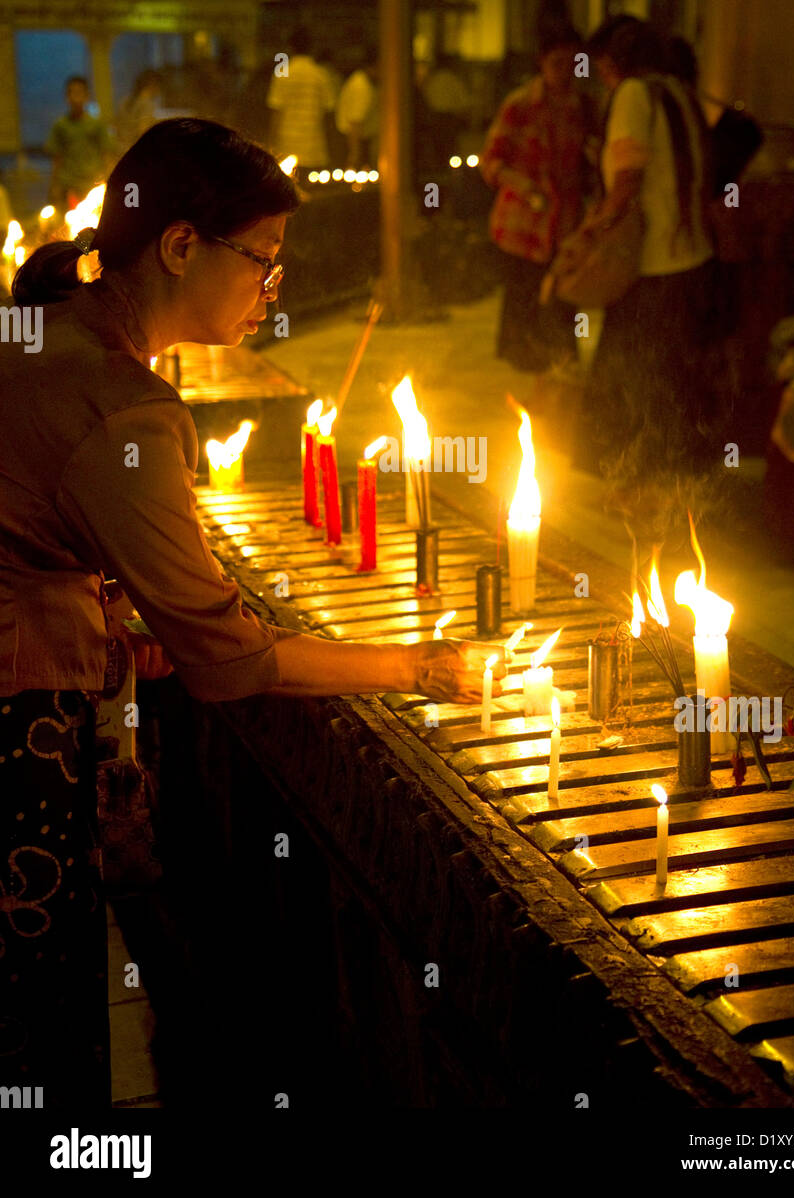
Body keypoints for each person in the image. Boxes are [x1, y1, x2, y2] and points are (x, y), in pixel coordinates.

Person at [1, 118, 505, 1108]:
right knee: (35, 1009)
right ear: (182, 245)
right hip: (15, 734)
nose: (270, 291)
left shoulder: (47, 328)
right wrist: (416, 666)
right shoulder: (126, 407)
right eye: (261, 263)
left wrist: (117, 638)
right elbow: (227, 658)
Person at [559, 16, 727, 535]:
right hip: (692, 258)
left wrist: (587, 234)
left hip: (652, 266)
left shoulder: (633, 93)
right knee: (672, 376)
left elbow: (627, 181)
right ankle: (675, 488)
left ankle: (641, 487)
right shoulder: (676, 90)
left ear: (611, 60)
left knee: (636, 379)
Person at [479, 22, 596, 393]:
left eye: (573, 63)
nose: (566, 71)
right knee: (523, 297)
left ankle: (557, 369)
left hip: (566, 223)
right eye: (558, 63)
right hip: (523, 223)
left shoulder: (584, 107)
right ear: (542, 63)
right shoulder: (519, 105)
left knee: (562, 297)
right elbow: (491, 162)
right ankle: (526, 381)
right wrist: (524, 187)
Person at [266, 26, 334, 172]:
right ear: (312, 47)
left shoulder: (282, 72)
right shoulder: (320, 74)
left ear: (290, 47)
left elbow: (276, 111)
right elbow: (329, 110)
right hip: (314, 146)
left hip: (287, 144)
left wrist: (271, 144)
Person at [45, 76, 115, 210]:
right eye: (72, 93)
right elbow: (56, 158)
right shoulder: (61, 125)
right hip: (69, 184)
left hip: (92, 183)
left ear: (87, 96)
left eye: (80, 93)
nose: (76, 97)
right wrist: (54, 186)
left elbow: (107, 154)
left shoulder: (96, 124)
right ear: (67, 96)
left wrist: (109, 180)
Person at [336, 50, 379, 169]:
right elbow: (355, 123)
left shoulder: (364, 81)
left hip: (360, 141)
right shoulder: (361, 87)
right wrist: (355, 156)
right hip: (357, 143)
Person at [115, 69, 163, 152]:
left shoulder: (125, 101)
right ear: (153, 85)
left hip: (121, 149)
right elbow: (143, 131)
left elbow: (117, 125)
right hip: (134, 150)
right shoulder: (147, 104)